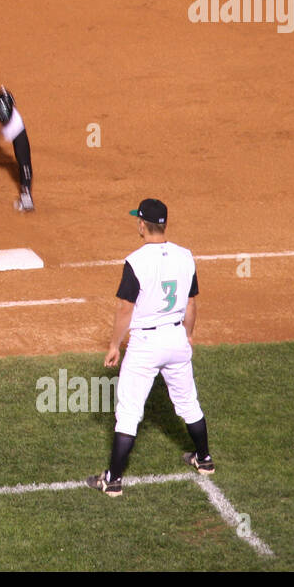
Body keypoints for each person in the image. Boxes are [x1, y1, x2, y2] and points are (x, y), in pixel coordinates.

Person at [86, 198, 214, 497]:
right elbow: (191, 302)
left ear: (142, 224)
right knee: (188, 403)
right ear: (164, 224)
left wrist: (114, 345)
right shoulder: (186, 256)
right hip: (176, 338)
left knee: (129, 413)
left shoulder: (136, 261)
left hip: (145, 344)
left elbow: (124, 309)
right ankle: (204, 459)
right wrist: (188, 335)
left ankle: (113, 480)